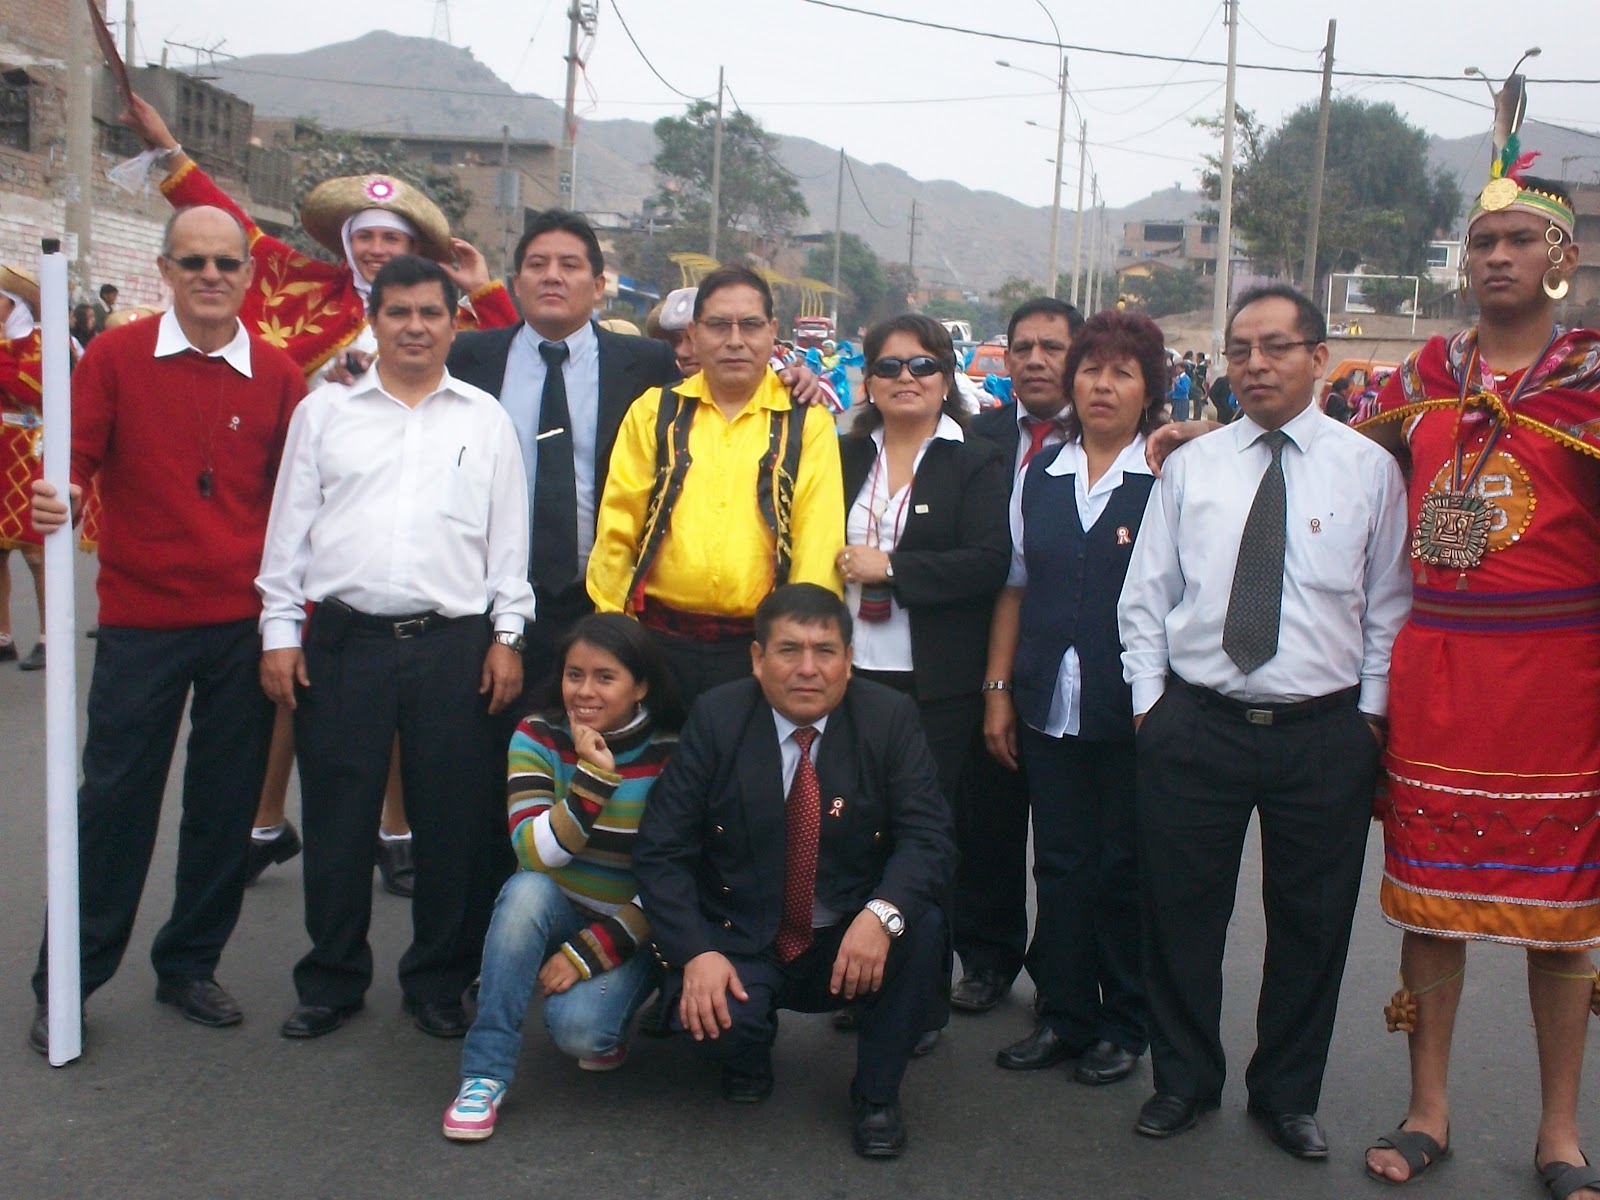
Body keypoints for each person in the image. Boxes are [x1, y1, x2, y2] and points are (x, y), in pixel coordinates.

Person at [1118, 284, 1410, 1156]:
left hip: (1322, 735)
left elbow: (1389, 606)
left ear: (1319, 359)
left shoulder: (1368, 470)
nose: (1254, 364)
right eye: (1241, 348)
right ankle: (1183, 1080)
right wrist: (1149, 708)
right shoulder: (1192, 467)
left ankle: (1286, 1095)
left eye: (1276, 346)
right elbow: (1148, 599)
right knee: (1179, 915)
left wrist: (1367, 720)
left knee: (1312, 925)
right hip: (1196, 724)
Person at [1357, 169, 1600, 1196]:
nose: (1494, 256)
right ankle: (1427, 1109)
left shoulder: (1589, 380)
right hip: (1439, 665)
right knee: (1433, 908)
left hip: (1559, 677)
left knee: (1564, 918)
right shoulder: (1415, 377)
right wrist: (1197, 443)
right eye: (1480, 240)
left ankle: (1557, 1132)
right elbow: (1324, 462)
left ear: (1562, 258)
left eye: (1516, 239)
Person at [27, 205, 306, 1054]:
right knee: (113, 802)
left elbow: (300, 501)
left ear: (248, 276)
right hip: (143, 621)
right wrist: (61, 494)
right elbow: (70, 462)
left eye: (227, 263)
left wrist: (290, 624)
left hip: (241, 626)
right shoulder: (114, 356)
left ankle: (189, 962)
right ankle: (68, 981)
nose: (211, 276)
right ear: (166, 269)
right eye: (194, 262)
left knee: (223, 807)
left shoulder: (281, 374)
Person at [256, 255, 535, 1041]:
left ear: (454, 323)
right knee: (341, 816)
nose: (415, 327)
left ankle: (439, 979)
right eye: (399, 312)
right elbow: (289, 535)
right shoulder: (326, 415)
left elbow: (505, 547)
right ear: (372, 322)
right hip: (345, 641)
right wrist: (281, 632)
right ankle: (333, 978)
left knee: (451, 822)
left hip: (451, 643)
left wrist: (507, 636)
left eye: (430, 313)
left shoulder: (484, 419)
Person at [633, 584, 956, 1158]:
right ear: (757, 659)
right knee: (715, 1021)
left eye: (824, 650)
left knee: (921, 924)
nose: (808, 668)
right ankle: (748, 1051)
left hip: (847, 935)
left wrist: (881, 916)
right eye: (788, 650)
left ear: (849, 661)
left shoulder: (889, 718)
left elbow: (930, 837)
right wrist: (694, 953)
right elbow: (662, 848)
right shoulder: (717, 717)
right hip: (742, 933)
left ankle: (877, 1094)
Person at [987, 309, 1165, 1086]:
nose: (1102, 384)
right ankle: (1064, 1014)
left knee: (1122, 867)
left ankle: (1125, 1022)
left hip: (1133, 711)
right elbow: (1015, 589)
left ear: (1148, 389)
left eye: (1123, 372)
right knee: (1057, 863)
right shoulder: (1041, 474)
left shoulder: (1167, 476)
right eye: (1092, 368)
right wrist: (999, 691)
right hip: (1046, 703)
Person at [835, 313, 1010, 1051]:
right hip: (848, 674)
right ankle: (857, 978)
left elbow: (987, 563)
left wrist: (894, 568)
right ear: (868, 379)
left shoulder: (974, 460)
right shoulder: (841, 455)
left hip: (932, 683)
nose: (907, 379)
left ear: (948, 378)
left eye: (924, 366)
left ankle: (921, 1000)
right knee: (855, 832)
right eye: (891, 365)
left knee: (924, 837)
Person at [442, 614, 683, 1141]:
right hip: (556, 903)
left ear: (641, 685)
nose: (585, 691)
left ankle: (619, 1011)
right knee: (524, 890)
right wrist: (591, 782)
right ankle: (484, 1074)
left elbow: (674, 885)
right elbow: (533, 853)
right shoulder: (538, 734)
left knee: (582, 1035)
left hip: (637, 924)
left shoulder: (672, 752)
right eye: (575, 674)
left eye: (605, 676)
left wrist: (586, 954)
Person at [587, 266, 844, 704]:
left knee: (742, 770)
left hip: (757, 651)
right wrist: (613, 634)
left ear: (772, 332)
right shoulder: (654, 412)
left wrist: (798, 650)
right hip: (656, 641)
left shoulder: (805, 421)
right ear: (693, 333)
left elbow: (817, 542)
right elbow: (617, 528)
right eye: (719, 325)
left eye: (750, 325)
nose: (735, 340)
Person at [962, 296, 1084, 1016]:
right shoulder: (972, 435)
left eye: (1053, 347)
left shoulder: (1120, 436)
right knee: (986, 825)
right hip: (983, 651)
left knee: (1070, 840)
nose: (1035, 360)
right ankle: (986, 957)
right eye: (1023, 347)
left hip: (1074, 659)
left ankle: (1067, 980)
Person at [0, 264, 45, 670]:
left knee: (36, 552)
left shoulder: (40, 343)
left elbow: (27, 389)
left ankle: (48, 634)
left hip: (30, 451)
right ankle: (3, 634)